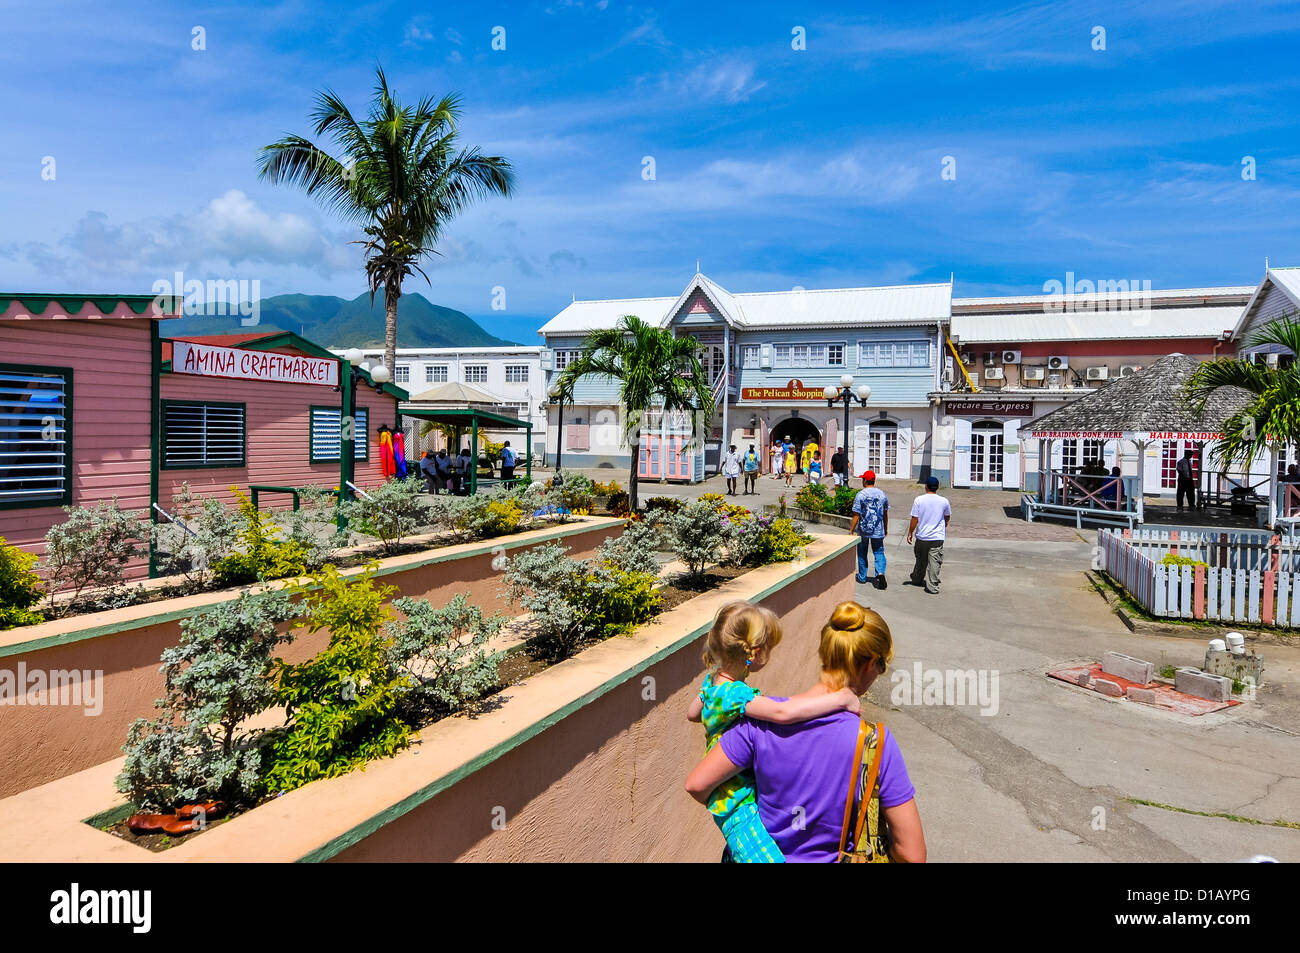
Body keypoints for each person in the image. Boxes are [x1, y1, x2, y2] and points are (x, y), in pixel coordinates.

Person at [686, 601, 926, 863]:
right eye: (882, 666)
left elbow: (697, 785)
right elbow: (911, 854)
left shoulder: (754, 723)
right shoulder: (875, 742)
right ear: (870, 664)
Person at [906, 476, 951, 595]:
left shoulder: (919, 500)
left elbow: (915, 518)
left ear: (926, 486)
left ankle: (917, 579)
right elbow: (947, 516)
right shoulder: (944, 501)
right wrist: (945, 524)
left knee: (921, 560)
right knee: (935, 561)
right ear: (937, 487)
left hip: (922, 536)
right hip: (937, 537)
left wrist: (910, 533)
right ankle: (933, 586)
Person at [849, 470, 889, 590]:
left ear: (865, 480)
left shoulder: (861, 495)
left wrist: (851, 530)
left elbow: (856, 514)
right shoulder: (882, 494)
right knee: (879, 552)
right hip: (878, 529)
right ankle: (880, 573)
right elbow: (885, 514)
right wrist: (885, 528)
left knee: (862, 552)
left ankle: (862, 577)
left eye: (863, 479)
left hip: (864, 530)